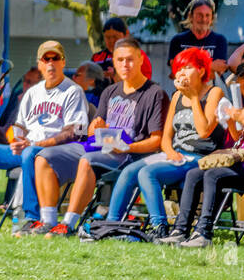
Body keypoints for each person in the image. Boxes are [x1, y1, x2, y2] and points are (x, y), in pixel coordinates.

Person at [39, 38, 168, 236]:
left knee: (86, 161)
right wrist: (94, 127)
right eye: (120, 60)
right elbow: (92, 132)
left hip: (128, 153)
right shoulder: (110, 91)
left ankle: (68, 224)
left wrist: (127, 147)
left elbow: (156, 141)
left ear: (141, 59)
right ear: (114, 63)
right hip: (99, 146)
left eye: (130, 59)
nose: (125, 65)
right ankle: (47, 221)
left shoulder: (154, 93)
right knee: (44, 156)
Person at [0, 41, 89, 232]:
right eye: (46, 59)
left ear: (63, 62)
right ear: (40, 64)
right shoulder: (33, 93)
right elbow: (20, 126)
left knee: (30, 153)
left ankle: (31, 217)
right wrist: (15, 140)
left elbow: (73, 132)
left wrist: (34, 144)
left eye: (56, 58)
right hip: (27, 148)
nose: (51, 63)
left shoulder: (73, 91)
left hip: (52, 152)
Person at [159, 50, 244, 248]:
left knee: (213, 175)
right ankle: (180, 230)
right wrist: (231, 123)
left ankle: (203, 232)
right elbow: (242, 141)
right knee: (193, 174)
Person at [104, 47, 223, 238]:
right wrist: (169, 152)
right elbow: (166, 137)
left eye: (188, 67)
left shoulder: (214, 93)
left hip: (199, 157)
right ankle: (111, 225)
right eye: (179, 68)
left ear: (201, 71)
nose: (182, 72)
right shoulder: (176, 96)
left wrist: (193, 97)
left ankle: (159, 227)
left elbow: (203, 131)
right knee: (129, 171)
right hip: (175, 155)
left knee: (147, 173)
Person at [167, 0, 229, 78]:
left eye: (207, 15)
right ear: (190, 16)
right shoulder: (178, 40)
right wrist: (210, 66)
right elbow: (175, 72)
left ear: (212, 18)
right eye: (199, 15)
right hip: (185, 88)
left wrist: (187, 67)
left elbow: (219, 70)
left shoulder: (219, 40)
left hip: (213, 88)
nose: (204, 19)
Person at [91, 16, 152, 81]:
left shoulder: (138, 56)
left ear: (126, 34)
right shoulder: (97, 58)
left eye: (115, 37)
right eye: (107, 37)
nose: (111, 41)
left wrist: (117, 76)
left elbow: (144, 83)